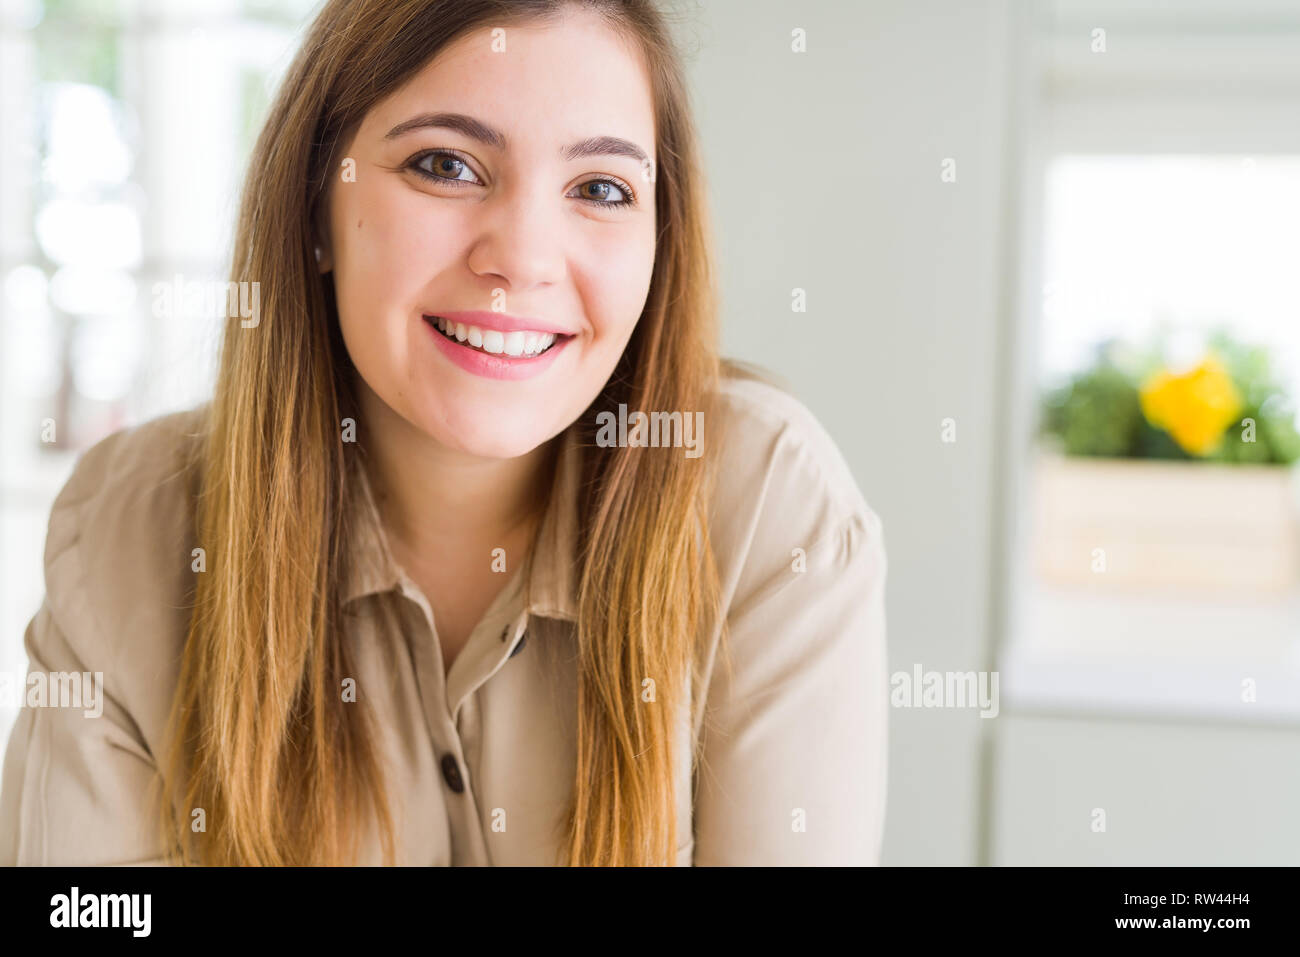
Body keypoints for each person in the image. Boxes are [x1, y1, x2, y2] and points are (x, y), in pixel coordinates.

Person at [0, 0, 888, 866]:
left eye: (602, 188)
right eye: (446, 165)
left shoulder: (768, 505)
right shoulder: (130, 530)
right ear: (317, 205)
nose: (524, 258)